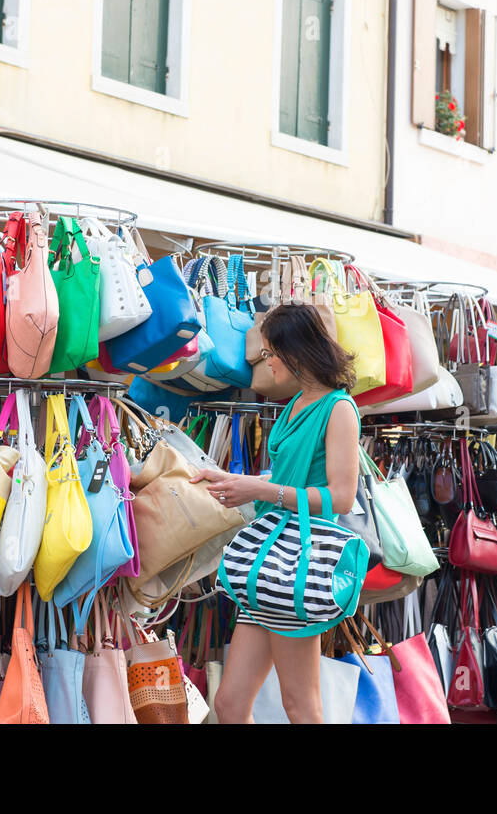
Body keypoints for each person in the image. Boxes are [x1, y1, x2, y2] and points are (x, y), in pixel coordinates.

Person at [190, 304, 361, 724]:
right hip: (271, 564)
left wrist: (260, 488)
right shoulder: (293, 406)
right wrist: (235, 482)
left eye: (270, 353)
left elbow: (341, 497)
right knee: (230, 703)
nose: (266, 363)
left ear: (297, 351)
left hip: (298, 564)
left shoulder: (338, 409)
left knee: (300, 706)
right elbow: (282, 480)